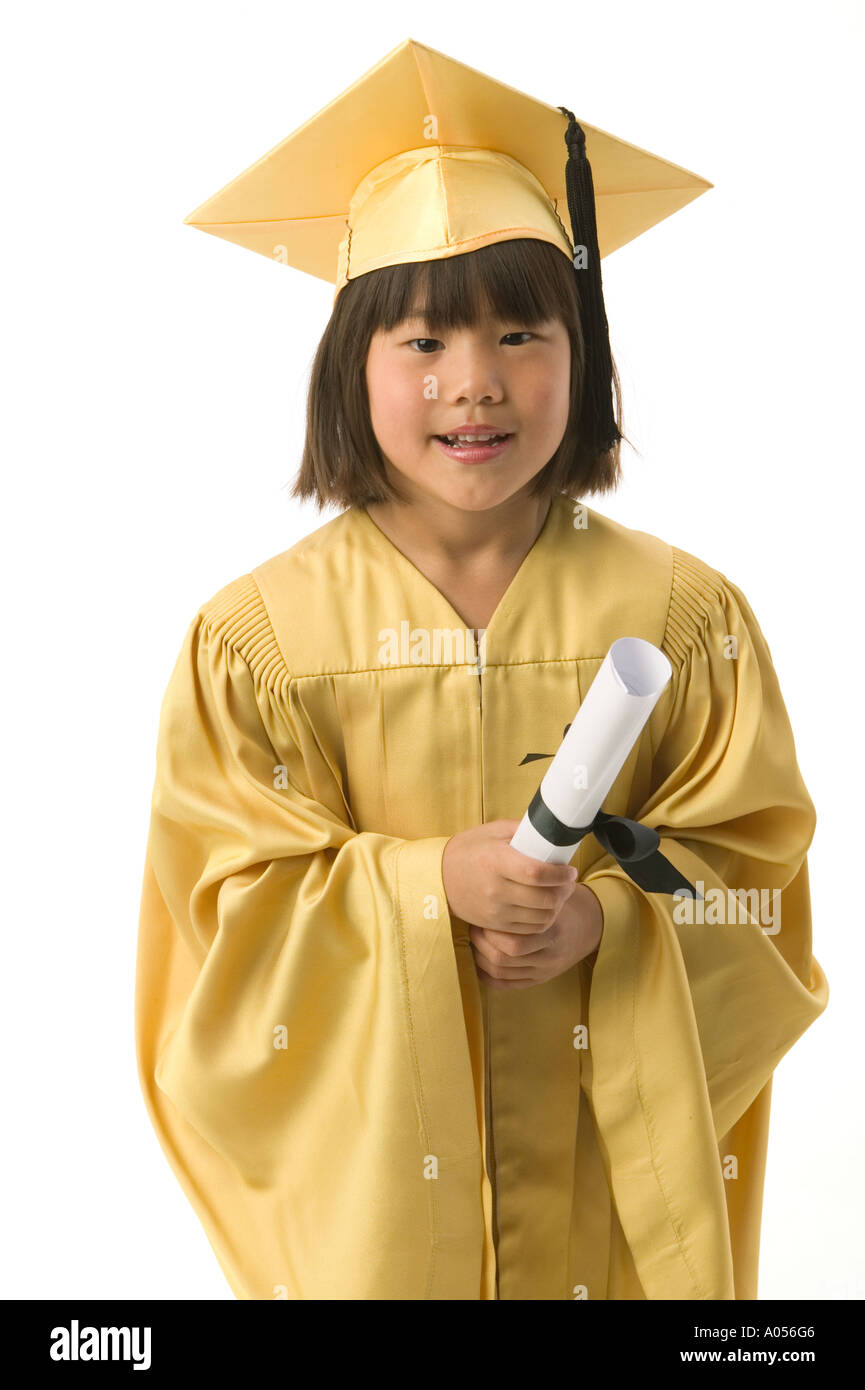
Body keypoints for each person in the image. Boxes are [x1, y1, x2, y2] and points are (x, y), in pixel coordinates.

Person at [134, 37, 828, 1300]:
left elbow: (755, 885)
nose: (476, 384)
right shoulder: (261, 642)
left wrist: (611, 927)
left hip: (611, 1223)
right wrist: (420, 889)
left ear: (585, 352)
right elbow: (216, 954)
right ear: (351, 362)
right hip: (383, 1248)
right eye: (421, 343)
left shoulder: (681, 620)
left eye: (522, 331)